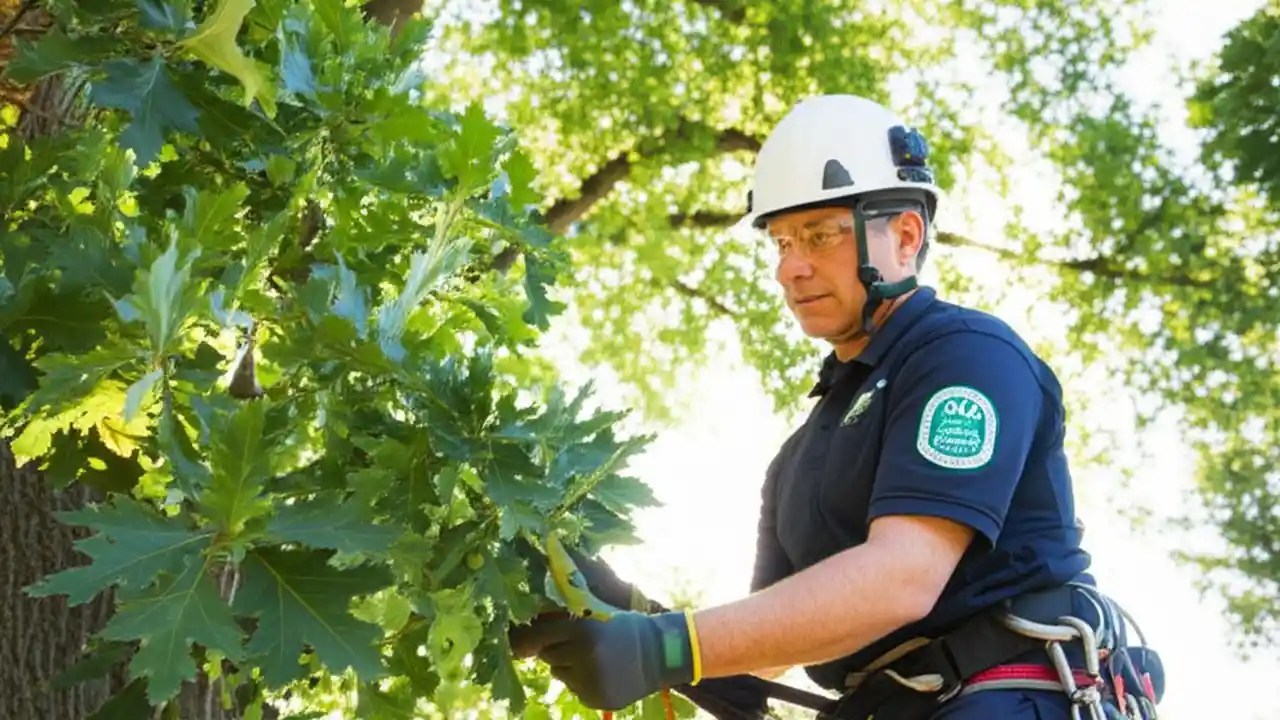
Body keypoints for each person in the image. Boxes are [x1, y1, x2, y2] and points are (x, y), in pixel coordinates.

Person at [510, 94, 1163, 720]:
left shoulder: (965, 356)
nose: (788, 270)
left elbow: (901, 578)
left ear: (905, 236)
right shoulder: (797, 458)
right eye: (780, 243)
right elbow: (768, 650)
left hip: (1011, 700)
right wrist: (616, 607)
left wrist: (663, 647)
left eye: (818, 235)